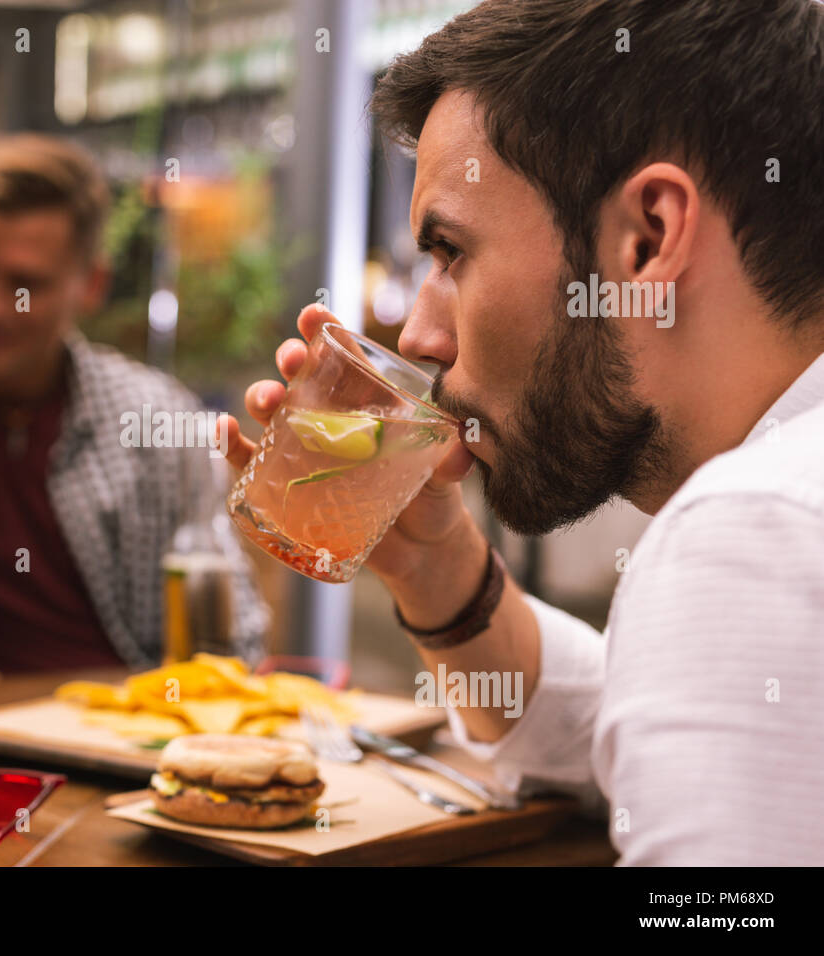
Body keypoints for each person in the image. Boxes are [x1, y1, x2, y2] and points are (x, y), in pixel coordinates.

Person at [221, 0, 824, 866]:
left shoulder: (751, 534)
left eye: (451, 253)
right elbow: (637, 734)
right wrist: (437, 570)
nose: (422, 337)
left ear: (647, 241)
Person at [0, 134, 269, 675]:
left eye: (23, 285)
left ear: (92, 284)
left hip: (119, 730)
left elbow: (227, 637)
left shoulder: (157, 418)